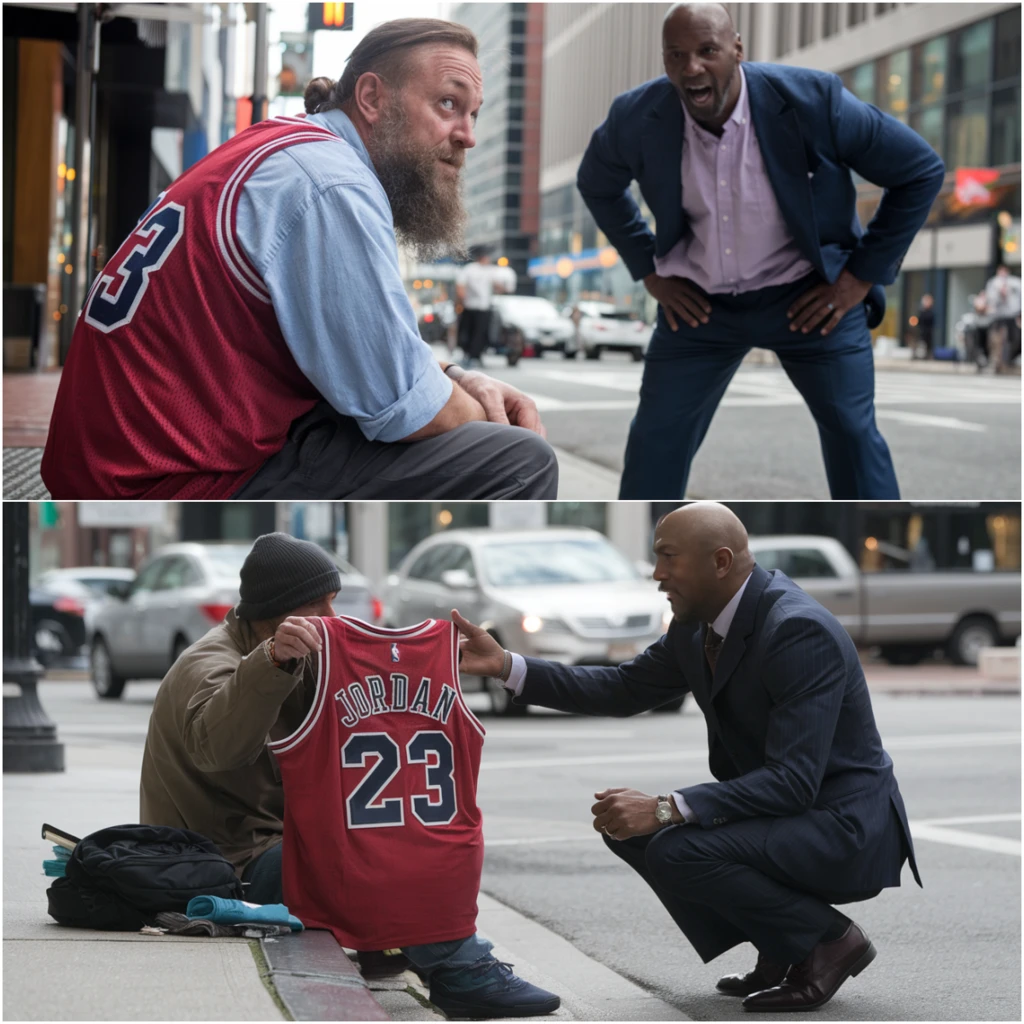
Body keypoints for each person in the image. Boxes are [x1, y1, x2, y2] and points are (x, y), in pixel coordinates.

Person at [42, 19, 556, 501]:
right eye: (448, 103)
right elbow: (408, 408)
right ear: (373, 98)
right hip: (166, 481)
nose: (467, 133)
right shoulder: (332, 184)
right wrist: (490, 414)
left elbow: (372, 346)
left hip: (120, 459)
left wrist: (461, 376)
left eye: (473, 113)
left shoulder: (288, 147)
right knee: (520, 459)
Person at [454, 502, 921, 1014]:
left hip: (844, 827)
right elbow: (624, 688)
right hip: (790, 813)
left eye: (668, 558)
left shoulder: (796, 630)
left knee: (674, 846)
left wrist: (664, 807)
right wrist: (505, 665)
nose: (657, 575)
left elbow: (792, 782)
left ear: (720, 562)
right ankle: (782, 942)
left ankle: (828, 941)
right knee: (629, 829)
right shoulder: (696, 625)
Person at [140, 532, 559, 1019]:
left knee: (403, 841)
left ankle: (441, 954)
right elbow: (218, 750)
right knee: (355, 863)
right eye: (316, 605)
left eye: (332, 603)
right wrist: (271, 663)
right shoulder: (210, 664)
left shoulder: (307, 649)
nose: (331, 619)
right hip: (229, 861)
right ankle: (462, 970)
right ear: (275, 610)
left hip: (278, 839)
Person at [577, 3, 946, 500]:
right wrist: (647, 270)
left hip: (810, 299)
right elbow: (597, 183)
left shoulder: (815, 100)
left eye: (707, 51)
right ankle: (656, 557)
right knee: (653, 445)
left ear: (737, 50)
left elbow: (920, 170)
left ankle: (874, 538)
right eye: (676, 55)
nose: (691, 68)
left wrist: (858, 278)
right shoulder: (637, 116)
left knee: (853, 435)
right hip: (700, 308)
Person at [984, 264, 1022, 373]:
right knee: (996, 340)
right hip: (998, 316)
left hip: (1012, 315)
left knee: (1014, 339)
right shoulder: (993, 283)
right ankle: (997, 363)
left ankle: (1009, 360)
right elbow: (990, 299)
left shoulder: (1015, 283)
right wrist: (999, 293)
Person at [915, 294, 935, 360]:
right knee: (921, 345)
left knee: (928, 345)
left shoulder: (931, 312)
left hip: (928, 332)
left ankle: (928, 356)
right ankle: (920, 356)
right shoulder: (921, 312)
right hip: (922, 332)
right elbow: (918, 321)